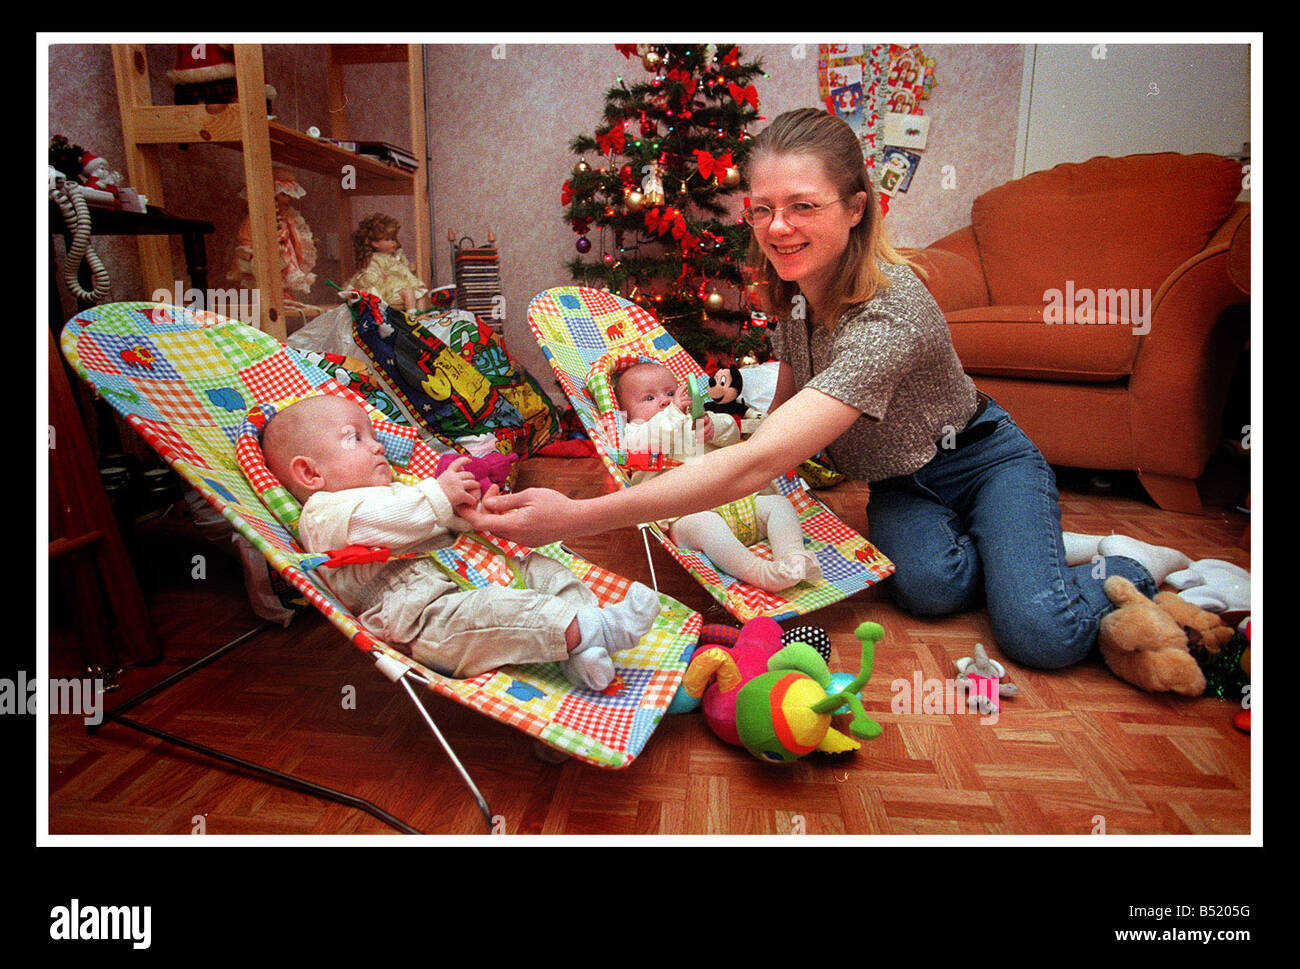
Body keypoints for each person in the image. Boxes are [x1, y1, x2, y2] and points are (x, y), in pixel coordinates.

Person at [465, 107, 1194, 672]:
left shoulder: (891, 312)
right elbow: (789, 386)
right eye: (761, 207)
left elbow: (758, 466)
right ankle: (1021, 546)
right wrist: (741, 425)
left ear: (856, 206)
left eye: (803, 205)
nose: (777, 227)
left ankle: (1119, 559)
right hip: (901, 482)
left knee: (1041, 633)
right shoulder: (795, 286)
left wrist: (578, 515)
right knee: (927, 592)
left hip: (982, 459)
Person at [261, 394, 660, 690]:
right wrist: (437, 496)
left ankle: (582, 643)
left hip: (468, 564)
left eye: (373, 435)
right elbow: (380, 524)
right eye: (356, 439)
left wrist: (468, 508)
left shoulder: (398, 488)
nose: (377, 445)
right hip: (422, 610)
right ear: (310, 474)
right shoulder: (323, 512)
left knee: (541, 568)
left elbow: (428, 517)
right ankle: (595, 628)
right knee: (492, 613)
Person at [615, 359, 820, 592]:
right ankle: (760, 573)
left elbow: (732, 434)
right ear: (627, 413)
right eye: (649, 398)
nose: (664, 401)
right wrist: (673, 414)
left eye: (670, 393)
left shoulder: (695, 418)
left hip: (738, 501)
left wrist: (713, 426)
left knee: (779, 504)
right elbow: (645, 445)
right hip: (686, 514)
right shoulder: (635, 433)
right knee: (706, 526)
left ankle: (792, 559)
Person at [346, 212, 430, 313]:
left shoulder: (397, 255)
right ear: (375, 243)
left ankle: (421, 315)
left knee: (421, 294)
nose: (393, 242)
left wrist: (410, 269)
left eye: (393, 239)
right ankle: (412, 315)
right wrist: (379, 276)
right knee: (408, 293)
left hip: (401, 284)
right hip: (388, 289)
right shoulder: (375, 258)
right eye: (387, 240)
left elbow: (404, 270)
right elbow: (370, 273)